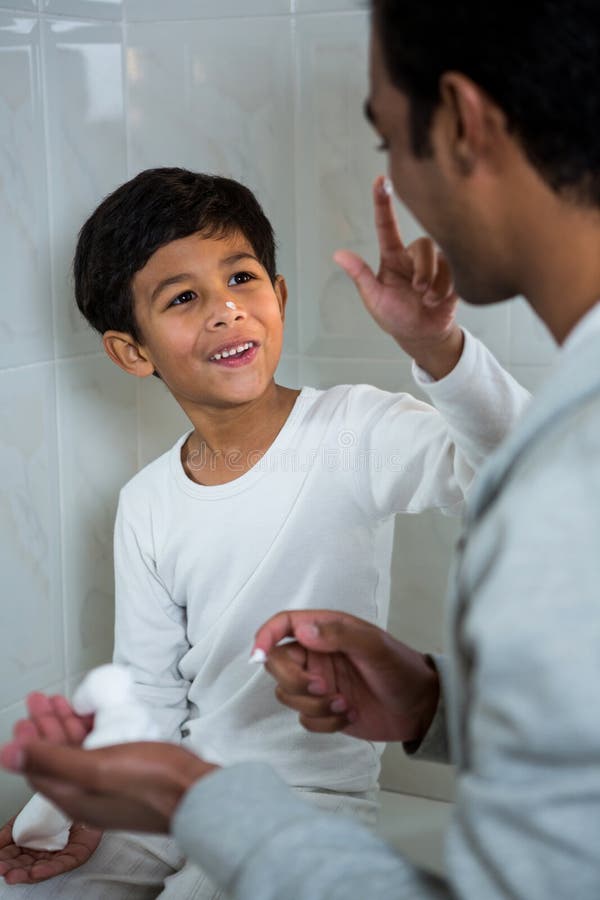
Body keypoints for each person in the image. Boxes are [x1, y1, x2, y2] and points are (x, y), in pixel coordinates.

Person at [4, 0, 600, 895]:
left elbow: (506, 468)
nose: (225, 309)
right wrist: (100, 789)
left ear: (279, 295)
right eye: (181, 299)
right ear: (131, 352)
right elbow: (150, 692)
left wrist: (441, 352)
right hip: (188, 780)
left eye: (241, 279)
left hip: (310, 793)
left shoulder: (353, 429)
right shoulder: (147, 503)